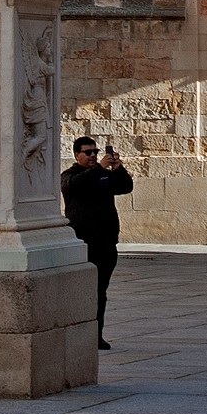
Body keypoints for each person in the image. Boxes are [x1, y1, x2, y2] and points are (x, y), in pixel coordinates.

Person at [61, 135, 135, 346]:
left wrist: (118, 168)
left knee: (100, 291)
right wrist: (100, 169)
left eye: (95, 151)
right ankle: (77, 334)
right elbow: (74, 186)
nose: (93, 155)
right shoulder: (70, 175)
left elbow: (125, 186)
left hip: (105, 242)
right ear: (77, 155)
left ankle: (96, 335)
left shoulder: (102, 176)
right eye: (88, 152)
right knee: (82, 291)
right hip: (83, 242)